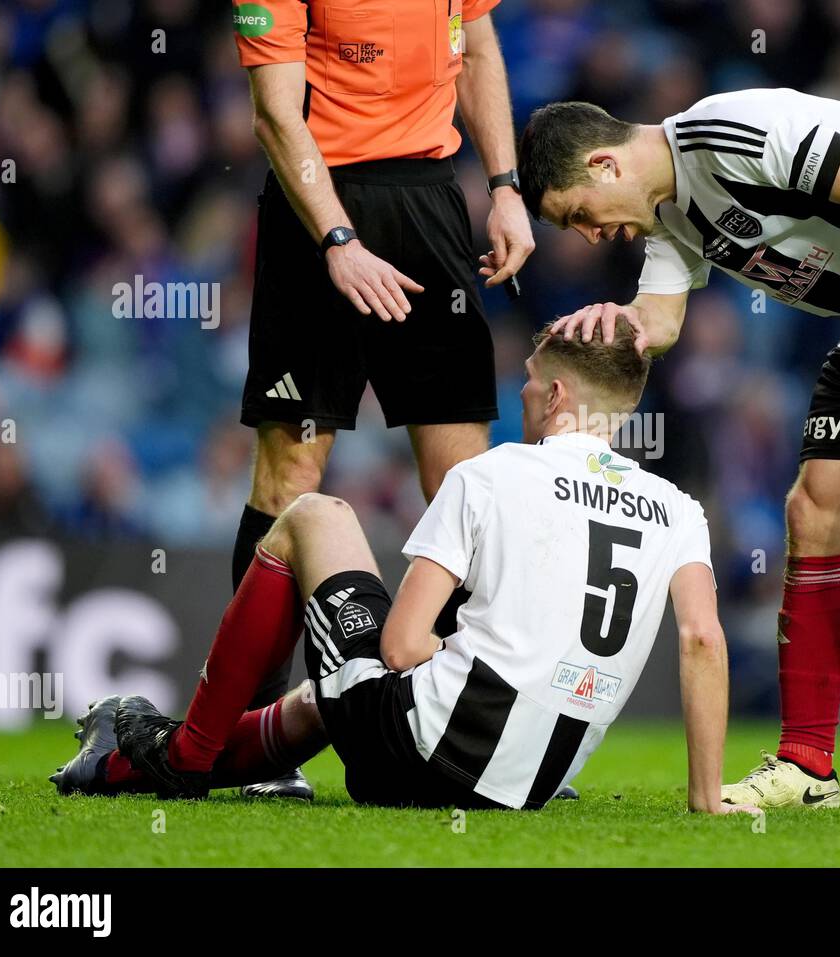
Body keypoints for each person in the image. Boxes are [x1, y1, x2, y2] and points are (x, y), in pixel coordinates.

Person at [517, 88, 840, 814]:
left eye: (578, 213)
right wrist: (608, 327)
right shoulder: (667, 214)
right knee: (814, 513)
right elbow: (658, 322)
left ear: (604, 165)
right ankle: (808, 765)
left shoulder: (725, 134)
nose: (590, 234)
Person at [52, 320, 758, 817]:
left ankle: (184, 753)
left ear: (558, 397)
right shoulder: (677, 507)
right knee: (323, 698)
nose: (522, 393)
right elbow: (702, 639)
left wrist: (467, 652)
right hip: (530, 782)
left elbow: (399, 644)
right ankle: (128, 761)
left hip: (419, 759)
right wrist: (705, 794)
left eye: (532, 380)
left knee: (313, 514)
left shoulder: (494, 472)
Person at [225, 0, 535, 799]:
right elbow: (273, 115)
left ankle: (485, 733)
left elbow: (481, 48)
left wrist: (504, 186)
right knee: (290, 477)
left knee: (466, 481)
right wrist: (337, 240)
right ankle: (256, 740)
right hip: (313, 209)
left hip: (431, 200)